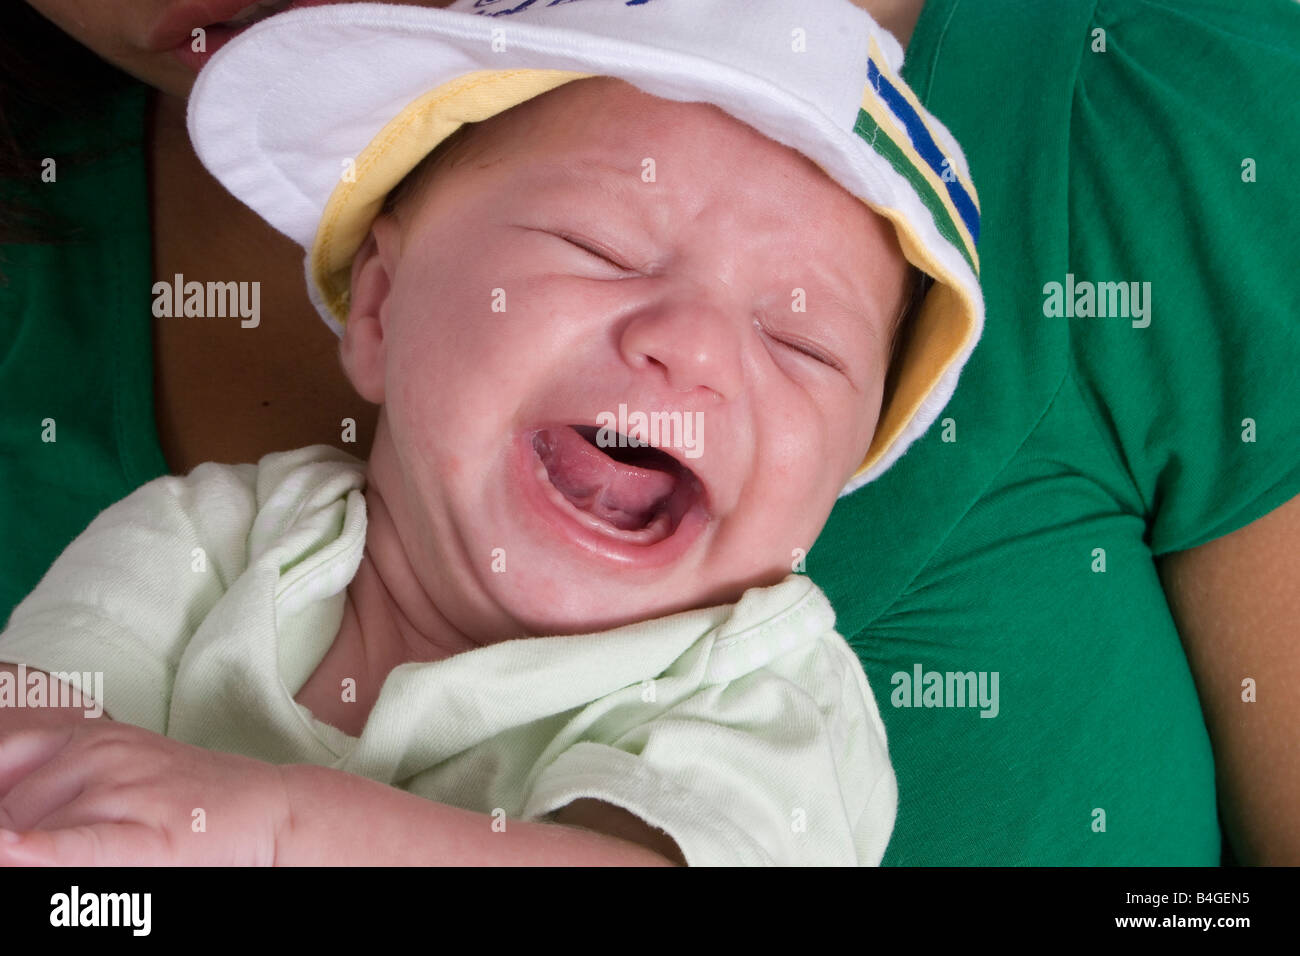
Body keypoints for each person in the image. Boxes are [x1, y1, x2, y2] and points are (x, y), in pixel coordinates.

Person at [3, 0, 1297, 866]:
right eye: (597, 250)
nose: (691, 345)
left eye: (802, 347)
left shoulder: (762, 686)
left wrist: (270, 830)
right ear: (380, 305)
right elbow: (35, 754)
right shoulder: (211, 540)